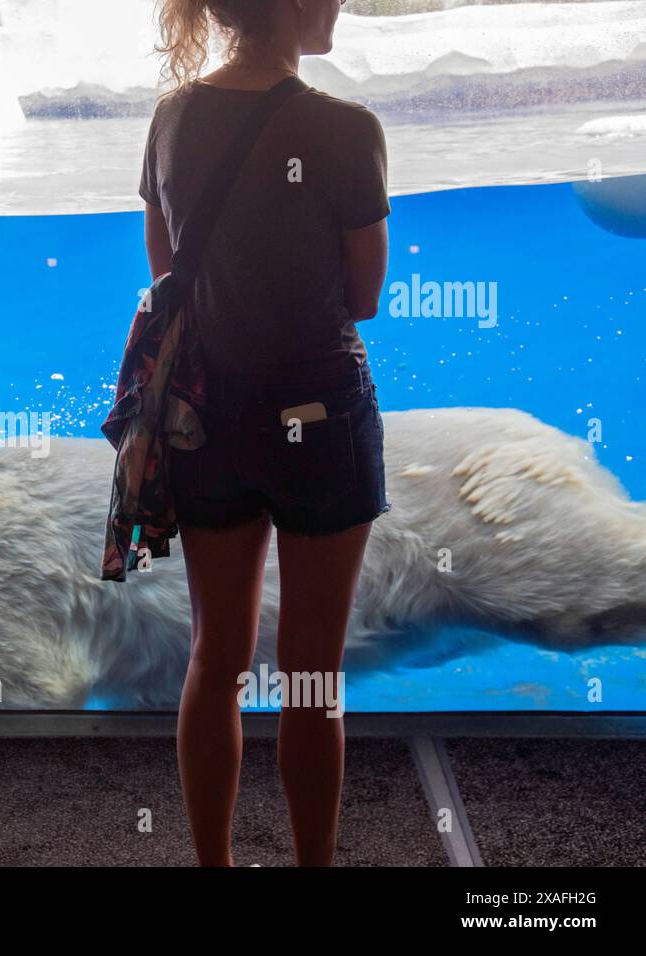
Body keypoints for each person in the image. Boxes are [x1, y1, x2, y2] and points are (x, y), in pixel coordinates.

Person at [142, 0, 390, 865]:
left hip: (206, 424)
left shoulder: (171, 120)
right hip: (321, 422)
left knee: (215, 660)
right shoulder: (346, 130)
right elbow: (362, 299)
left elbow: (167, 276)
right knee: (314, 674)